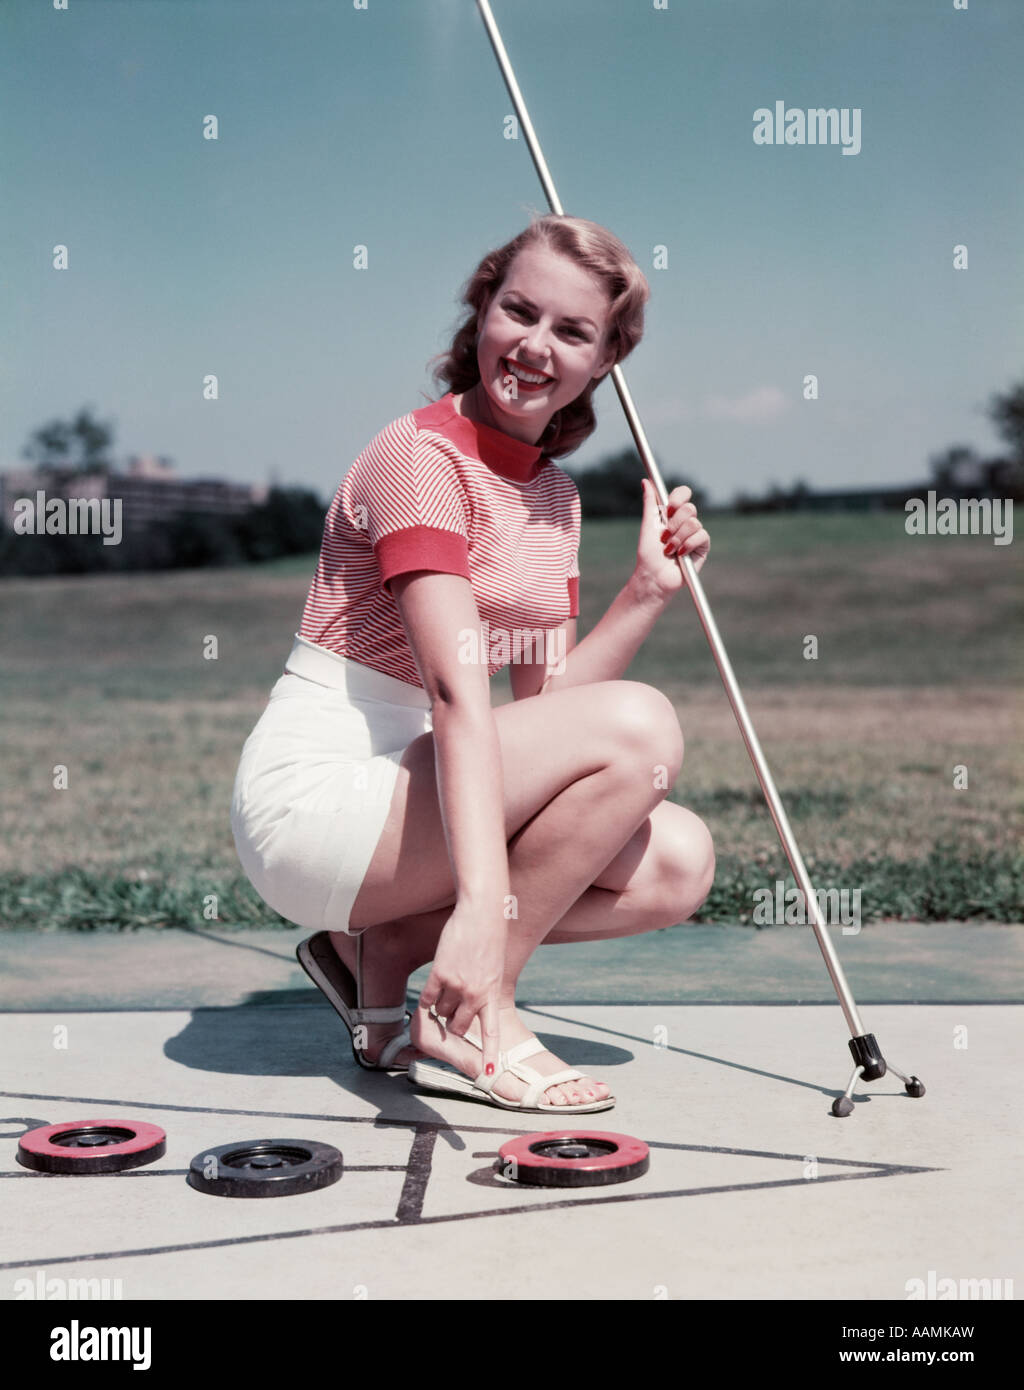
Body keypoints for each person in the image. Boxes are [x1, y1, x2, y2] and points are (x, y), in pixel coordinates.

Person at [230, 213, 714, 1114]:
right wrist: (483, 919)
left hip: (420, 792)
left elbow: (552, 705)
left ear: (606, 360)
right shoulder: (416, 456)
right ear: (481, 308)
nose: (534, 347)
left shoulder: (555, 497)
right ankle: (476, 1006)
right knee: (643, 723)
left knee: (679, 862)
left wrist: (647, 590)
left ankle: (380, 950)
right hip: (321, 802)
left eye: (572, 331)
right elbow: (459, 696)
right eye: (518, 311)